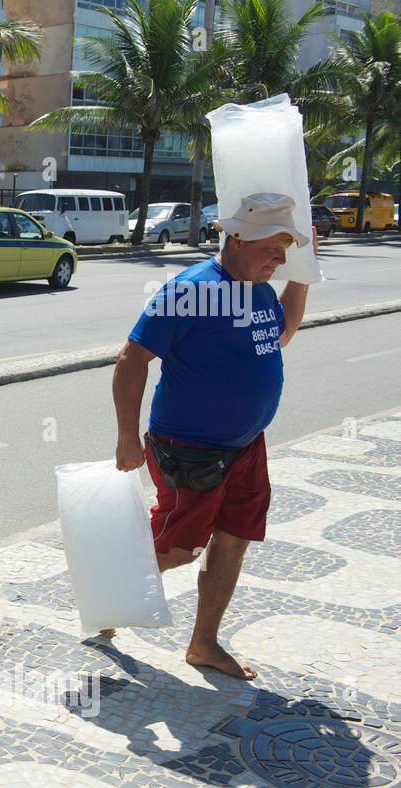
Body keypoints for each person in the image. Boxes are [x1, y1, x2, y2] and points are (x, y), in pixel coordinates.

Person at [107, 193, 316, 680]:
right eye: (275, 245)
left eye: (288, 248)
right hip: (190, 449)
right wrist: (125, 438)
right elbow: (131, 359)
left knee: (235, 540)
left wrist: (301, 278)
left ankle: (203, 644)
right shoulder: (192, 289)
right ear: (237, 236)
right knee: (180, 548)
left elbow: (280, 333)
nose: (281, 258)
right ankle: (107, 590)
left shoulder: (260, 287)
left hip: (245, 445)